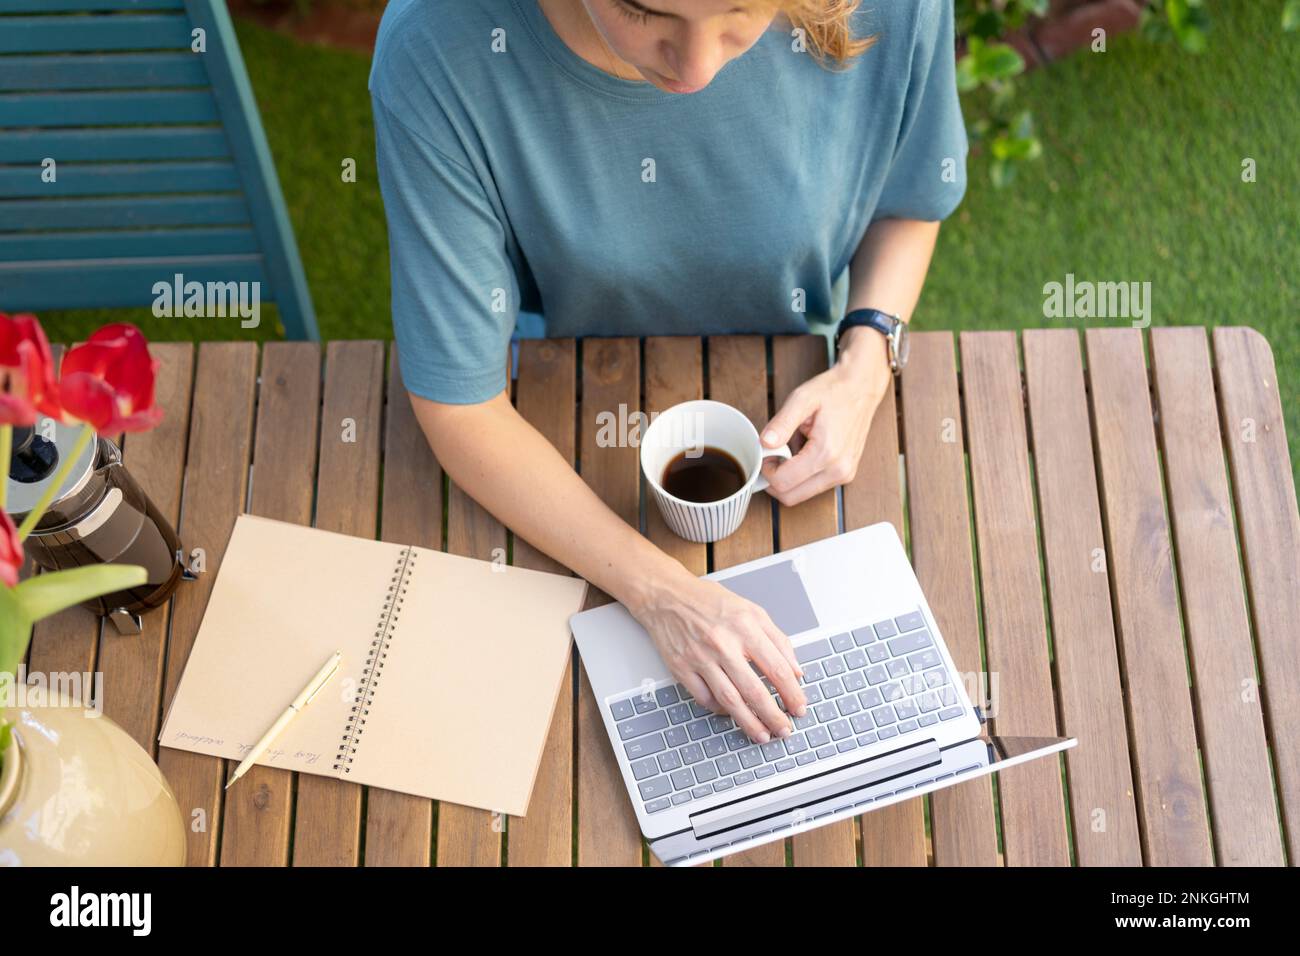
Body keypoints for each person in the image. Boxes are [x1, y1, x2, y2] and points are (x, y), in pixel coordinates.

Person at [369, 0, 968, 747]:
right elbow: (461, 404)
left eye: (740, 12)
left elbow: (909, 200)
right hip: (550, 423)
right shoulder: (437, 43)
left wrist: (868, 357)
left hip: (794, 389)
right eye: (642, 9)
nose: (695, 70)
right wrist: (663, 597)